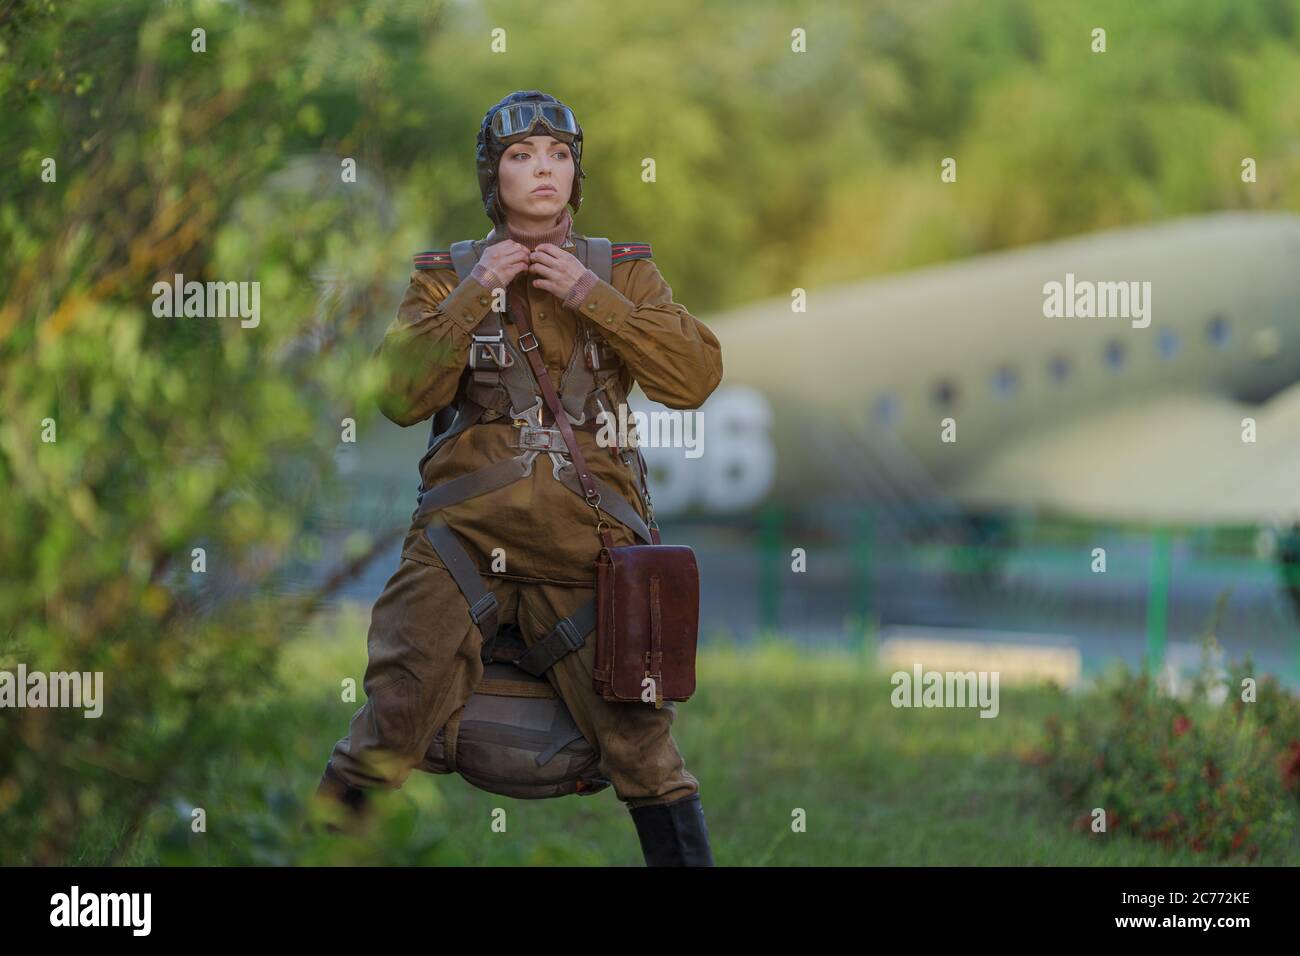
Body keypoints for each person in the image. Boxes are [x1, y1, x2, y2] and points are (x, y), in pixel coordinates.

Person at [313, 90, 724, 866]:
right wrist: (475, 296)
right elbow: (399, 397)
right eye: (520, 156)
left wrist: (589, 296)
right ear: (492, 177)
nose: (543, 170)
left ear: (577, 174)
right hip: (463, 542)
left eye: (559, 155)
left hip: (588, 546)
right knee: (393, 716)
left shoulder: (624, 271)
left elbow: (696, 377)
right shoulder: (446, 276)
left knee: (642, 746)